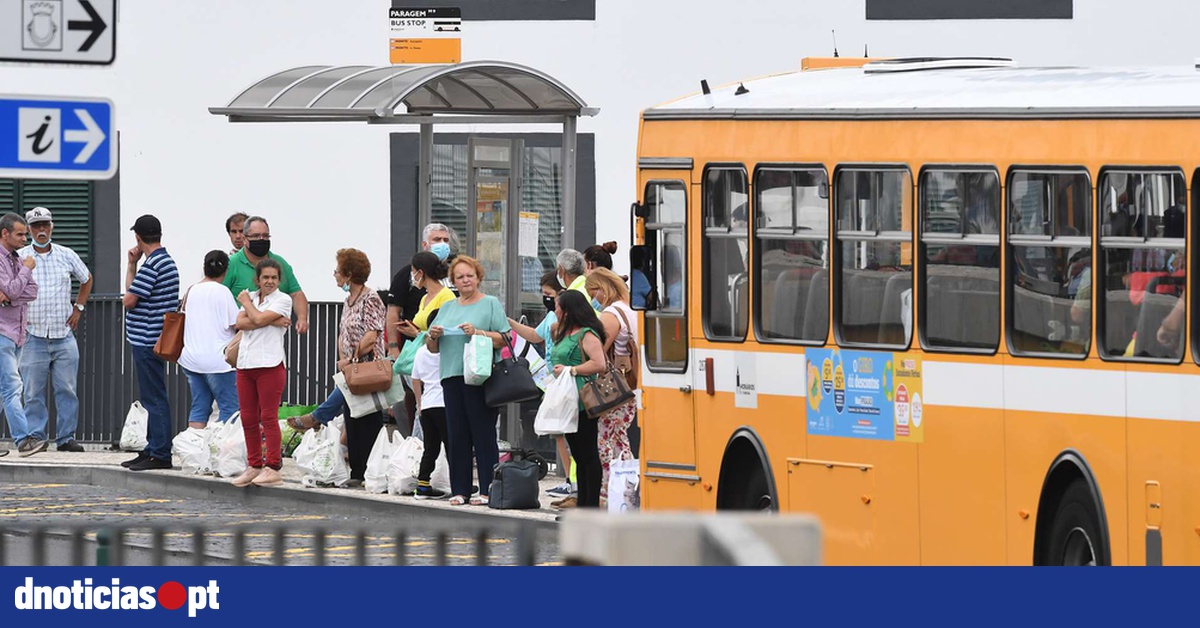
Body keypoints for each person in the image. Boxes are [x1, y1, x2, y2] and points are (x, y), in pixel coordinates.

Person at [426, 255, 510, 506]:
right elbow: (433, 349)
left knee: (483, 433)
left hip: (480, 376)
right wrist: (432, 335)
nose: (465, 280)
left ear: (478, 277)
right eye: (460, 277)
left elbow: (505, 338)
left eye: (469, 276)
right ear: (453, 281)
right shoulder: (447, 308)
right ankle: (460, 490)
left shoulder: (490, 303)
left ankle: (487, 489)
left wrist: (478, 332)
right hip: (451, 375)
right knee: (457, 435)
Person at [17, 207, 92, 453]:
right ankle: (36, 437)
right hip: (32, 334)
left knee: (67, 389)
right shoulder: (20, 256)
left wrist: (78, 307)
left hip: (62, 334)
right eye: (36, 226)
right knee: (32, 391)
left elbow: (86, 278)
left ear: (52, 227)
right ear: (28, 230)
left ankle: (66, 437)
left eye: (45, 225)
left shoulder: (66, 254)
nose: (41, 230)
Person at [508, 271, 574, 500]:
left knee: (566, 432)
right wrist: (511, 324)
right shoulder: (550, 316)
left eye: (549, 294)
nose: (545, 299)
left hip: (564, 379)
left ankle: (572, 480)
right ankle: (569, 479)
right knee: (558, 432)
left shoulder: (567, 316)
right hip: (552, 380)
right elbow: (536, 336)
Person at [121, 215, 179, 471]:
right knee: (152, 396)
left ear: (138, 237)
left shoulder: (154, 264)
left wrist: (131, 265)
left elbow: (129, 299)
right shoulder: (166, 262)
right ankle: (152, 448)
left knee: (153, 397)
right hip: (155, 338)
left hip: (147, 339)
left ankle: (160, 453)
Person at [387, 223, 457, 432]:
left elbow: (445, 328)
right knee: (414, 405)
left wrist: (417, 333)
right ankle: (415, 448)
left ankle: (419, 450)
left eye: (445, 240)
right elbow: (393, 312)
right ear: (425, 244)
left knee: (427, 409)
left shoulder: (447, 291)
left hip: (438, 359)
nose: (442, 244)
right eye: (437, 240)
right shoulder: (421, 293)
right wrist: (394, 346)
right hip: (416, 356)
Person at [230, 259, 292, 488]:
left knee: (268, 416)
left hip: (270, 364)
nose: (270, 281)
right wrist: (272, 320)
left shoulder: (283, 299)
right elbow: (240, 323)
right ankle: (254, 464)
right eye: (265, 277)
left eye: (274, 278)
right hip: (246, 364)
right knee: (247, 417)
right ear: (258, 279)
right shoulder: (253, 298)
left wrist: (250, 307)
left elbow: (254, 319)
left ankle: (273, 466)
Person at [549, 290, 608, 509]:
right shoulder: (564, 332)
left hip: (583, 399)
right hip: (566, 399)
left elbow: (599, 363)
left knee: (588, 453)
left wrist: (570, 369)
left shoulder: (587, 333)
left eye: (558, 307)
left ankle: (590, 504)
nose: (555, 310)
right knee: (578, 454)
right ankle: (582, 501)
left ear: (568, 310)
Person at [333, 248, 387, 487]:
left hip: (366, 369)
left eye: (337, 270)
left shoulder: (370, 298)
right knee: (352, 416)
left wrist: (353, 357)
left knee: (368, 418)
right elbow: (343, 332)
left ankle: (369, 470)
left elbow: (372, 334)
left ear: (348, 273)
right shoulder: (348, 301)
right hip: (350, 370)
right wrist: (342, 358)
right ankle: (357, 471)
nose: (334, 275)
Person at [586, 268, 639, 503]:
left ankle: (612, 492)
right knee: (620, 437)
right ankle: (627, 489)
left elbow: (598, 347)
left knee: (607, 440)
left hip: (616, 387)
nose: (592, 298)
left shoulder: (611, 313)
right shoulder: (630, 308)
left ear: (602, 289)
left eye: (593, 292)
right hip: (633, 384)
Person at [178, 251, 242, 430]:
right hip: (219, 362)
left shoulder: (191, 290)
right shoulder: (223, 292)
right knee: (230, 408)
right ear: (225, 270)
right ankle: (225, 451)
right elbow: (236, 323)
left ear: (204, 267)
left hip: (191, 359)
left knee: (199, 407)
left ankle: (195, 446)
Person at [223, 216, 309, 334]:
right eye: (256, 236)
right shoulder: (231, 264)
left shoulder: (280, 263)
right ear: (244, 239)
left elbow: (296, 293)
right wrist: (272, 321)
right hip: (238, 336)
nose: (261, 239)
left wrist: (302, 318)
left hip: (271, 340)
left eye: (265, 236)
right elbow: (221, 299)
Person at [0, 213, 39, 457]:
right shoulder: (10, 261)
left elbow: (32, 292)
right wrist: (25, 271)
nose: (25, 238)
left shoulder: (16, 259)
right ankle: (23, 441)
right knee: (13, 386)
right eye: (20, 234)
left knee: (3, 388)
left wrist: (10, 297)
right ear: (5, 234)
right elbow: (14, 290)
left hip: (16, 332)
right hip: (3, 331)